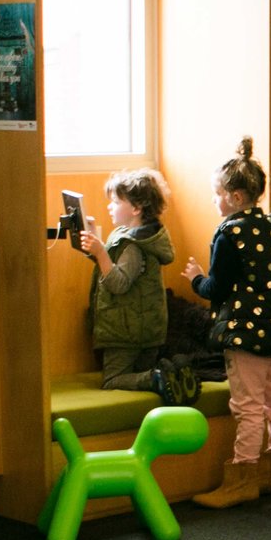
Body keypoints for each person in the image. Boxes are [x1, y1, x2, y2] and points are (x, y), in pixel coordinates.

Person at [183, 138, 271, 507]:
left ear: (235, 197)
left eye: (217, 194)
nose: (214, 200)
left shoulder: (229, 233)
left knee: (247, 407)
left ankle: (242, 478)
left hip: (246, 335)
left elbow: (217, 288)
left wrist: (196, 279)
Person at [77, 168, 185, 400]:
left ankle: (155, 377)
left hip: (127, 333)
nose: (109, 207)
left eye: (116, 202)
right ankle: (166, 373)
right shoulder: (130, 235)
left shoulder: (134, 245)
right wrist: (96, 245)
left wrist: (101, 252)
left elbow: (118, 283)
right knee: (136, 372)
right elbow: (112, 264)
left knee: (112, 380)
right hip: (141, 329)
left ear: (136, 208)